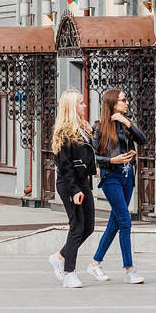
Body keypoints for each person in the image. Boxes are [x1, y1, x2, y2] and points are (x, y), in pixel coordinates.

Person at [89, 87, 147, 285]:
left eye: (126, 99)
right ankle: (129, 269)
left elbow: (143, 139)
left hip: (128, 176)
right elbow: (92, 157)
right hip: (111, 178)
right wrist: (112, 161)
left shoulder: (125, 124)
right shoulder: (99, 127)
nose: (127, 102)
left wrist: (127, 123)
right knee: (125, 220)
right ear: (113, 103)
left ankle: (95, 263)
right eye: (123, 100)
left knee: (115, 222)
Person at [48, 89, 97, 289]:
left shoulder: (84, 128)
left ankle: (60, 257)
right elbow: (65, 167)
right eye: (81, 103)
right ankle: (69, 273)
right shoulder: (63, 132)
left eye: (84, 103)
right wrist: (75, 190)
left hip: (83, 182)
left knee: (89, 226)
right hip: (70, 185)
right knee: (77, 226)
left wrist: (94, 169)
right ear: (71, 107)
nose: (84, 106)